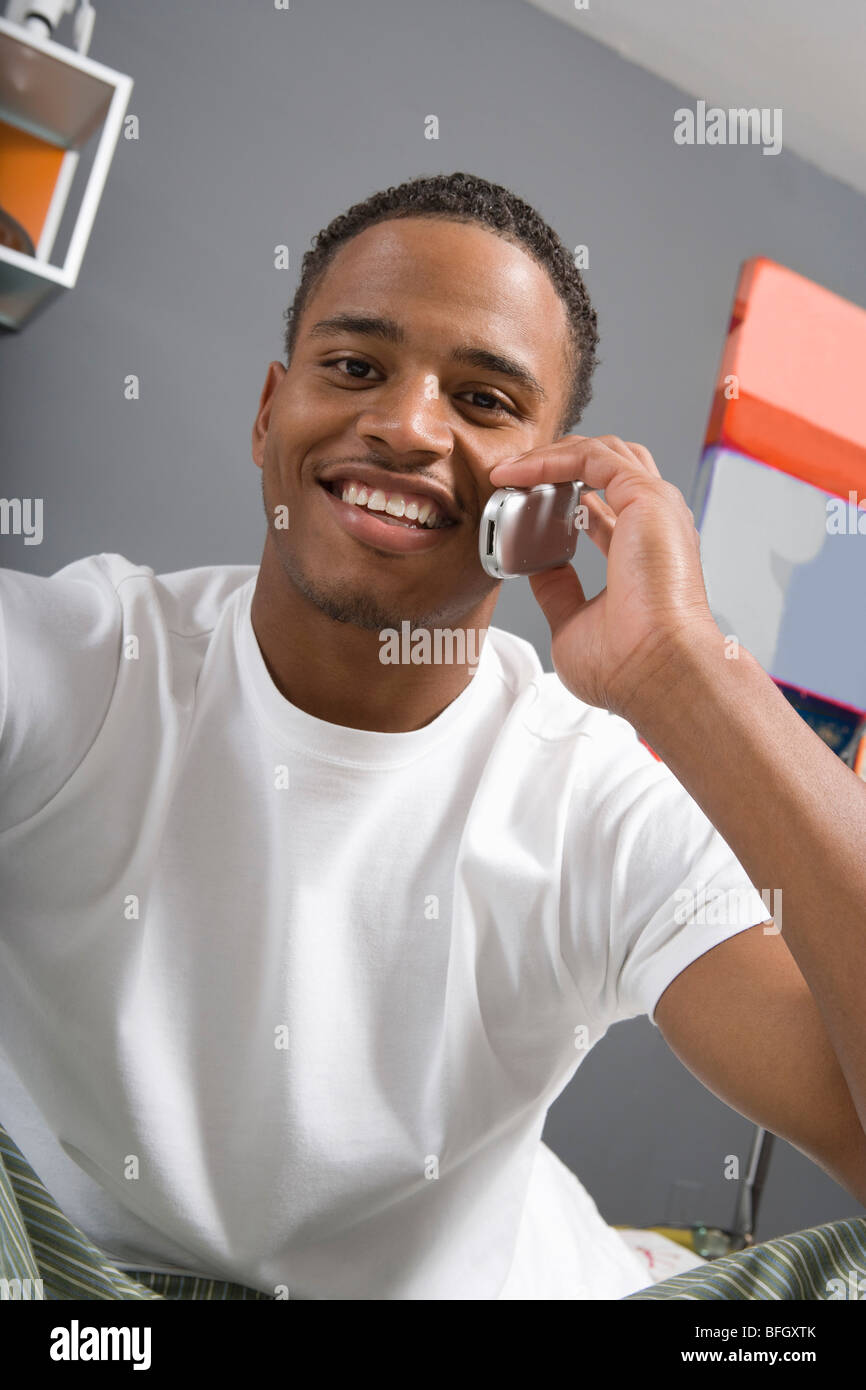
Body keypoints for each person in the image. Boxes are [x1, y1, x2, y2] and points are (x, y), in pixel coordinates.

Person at [1, 172, 865, 1301]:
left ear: (551, 497)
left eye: (484, 401)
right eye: (354, 367)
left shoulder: (584, 796)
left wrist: (684, 678)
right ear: (270, 411)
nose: (405, 426)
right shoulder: (74, 657)